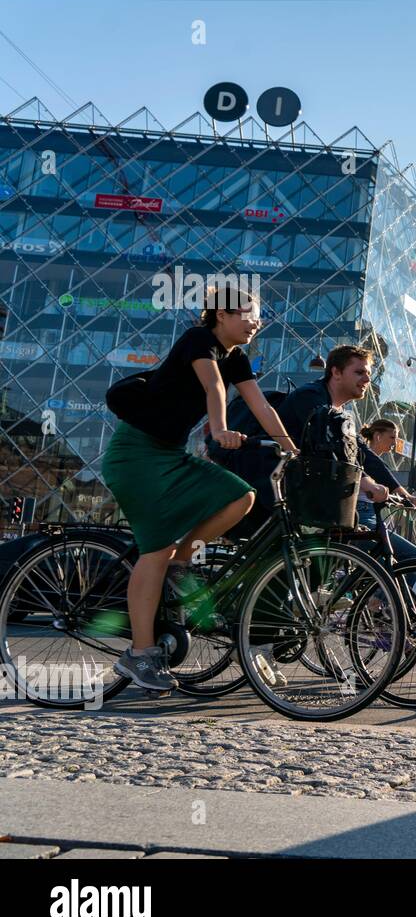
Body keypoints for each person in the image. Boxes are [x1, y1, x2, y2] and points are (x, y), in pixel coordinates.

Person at [102, 284, 297, 692]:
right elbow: (212, 387)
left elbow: (261, 405)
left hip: (168, 455)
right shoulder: (199, 340)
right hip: (136, 454)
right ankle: (140, 655)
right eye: (246, 313)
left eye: (258, 315)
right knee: (154, 550)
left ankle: (181, 562)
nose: (255, 322)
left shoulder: (237, 357)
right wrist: (221, 430)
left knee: (240, 495)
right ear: (220, 315)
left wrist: (290, 446)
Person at [212, 345, 396, 533]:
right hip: (265, 484)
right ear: (336, 372)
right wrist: (367, 484)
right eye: (359, 372)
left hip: (291, 489)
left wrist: (397, 490)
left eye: (368, 373)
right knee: (282, 553)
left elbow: (361, 451)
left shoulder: (335, 410)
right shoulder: (311, 397)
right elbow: (332, 449)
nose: (367, 379)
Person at [357, 418, 416, 565]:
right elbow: (387, 479)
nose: (395, 443)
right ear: (377, 436)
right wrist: (407, 496)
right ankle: (383, 588)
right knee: (414, 557)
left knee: (386, 566)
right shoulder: (367, 457)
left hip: (367, 515)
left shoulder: (373, 461)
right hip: (363, 516)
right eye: (392, 437)